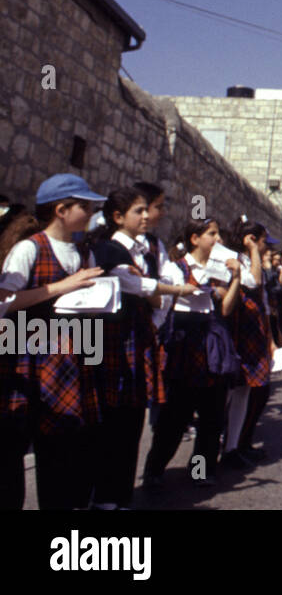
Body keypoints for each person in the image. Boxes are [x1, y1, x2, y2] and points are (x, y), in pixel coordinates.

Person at [0, 174, 107, 509]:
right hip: (26, 356)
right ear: (61, 210)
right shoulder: (28, 249)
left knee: (62, 453)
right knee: (12, 450)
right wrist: (64, 286)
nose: (90, 213)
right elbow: (6, 302)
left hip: (66, 362)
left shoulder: (82, 252)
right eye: (85, 206)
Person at [142, 218, 242, 489]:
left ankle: (200, 469)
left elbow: (227, 309)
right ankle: (154, 470)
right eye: (212, 234)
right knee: (175, 416)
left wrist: (235, 278)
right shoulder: (176, 269)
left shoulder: (220, 270)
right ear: (195, 239)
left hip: (211, 344)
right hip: (184, 343)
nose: (218, 239)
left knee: (212, 416)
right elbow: (163, 305)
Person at [87, 188, 169, 509]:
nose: (146, 216)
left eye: (147, 210)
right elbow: (137, 287)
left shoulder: (146, 251)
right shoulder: (107, 250)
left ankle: (121, 494)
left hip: (137, 336)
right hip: (113, 340)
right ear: (118, 217)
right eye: (139, 211)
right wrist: (166, 289)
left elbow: (156, 298)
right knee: (111, 421)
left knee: (131, 421)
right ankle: (103, 495)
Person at [222, 219, 272, 470]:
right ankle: (221, 448)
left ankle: (234, 446)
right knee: (230, 391)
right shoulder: (232, 259)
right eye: (262, 241)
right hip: (236, 332)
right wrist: (253, 250)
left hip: (252, 332)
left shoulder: (252, 264)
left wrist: (272, 339)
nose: (264, 247)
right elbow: (253, 283)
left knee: (244, 391)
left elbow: (262, 302)